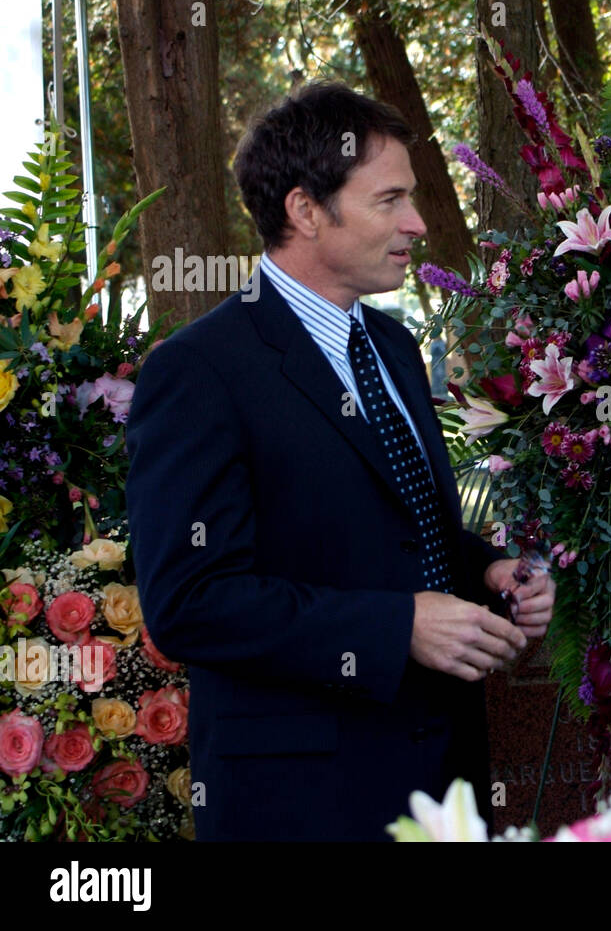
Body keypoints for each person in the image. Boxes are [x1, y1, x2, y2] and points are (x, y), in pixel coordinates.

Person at [125, 83, 555, 841]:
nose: (418, 223)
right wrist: (395, 627)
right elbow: (190, 600)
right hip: (304, 802)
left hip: (445, 784)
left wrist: (485, 567)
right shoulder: (201, 370)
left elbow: (400, 525)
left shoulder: (394, 346)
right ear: (304, 210)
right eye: (389, 200)